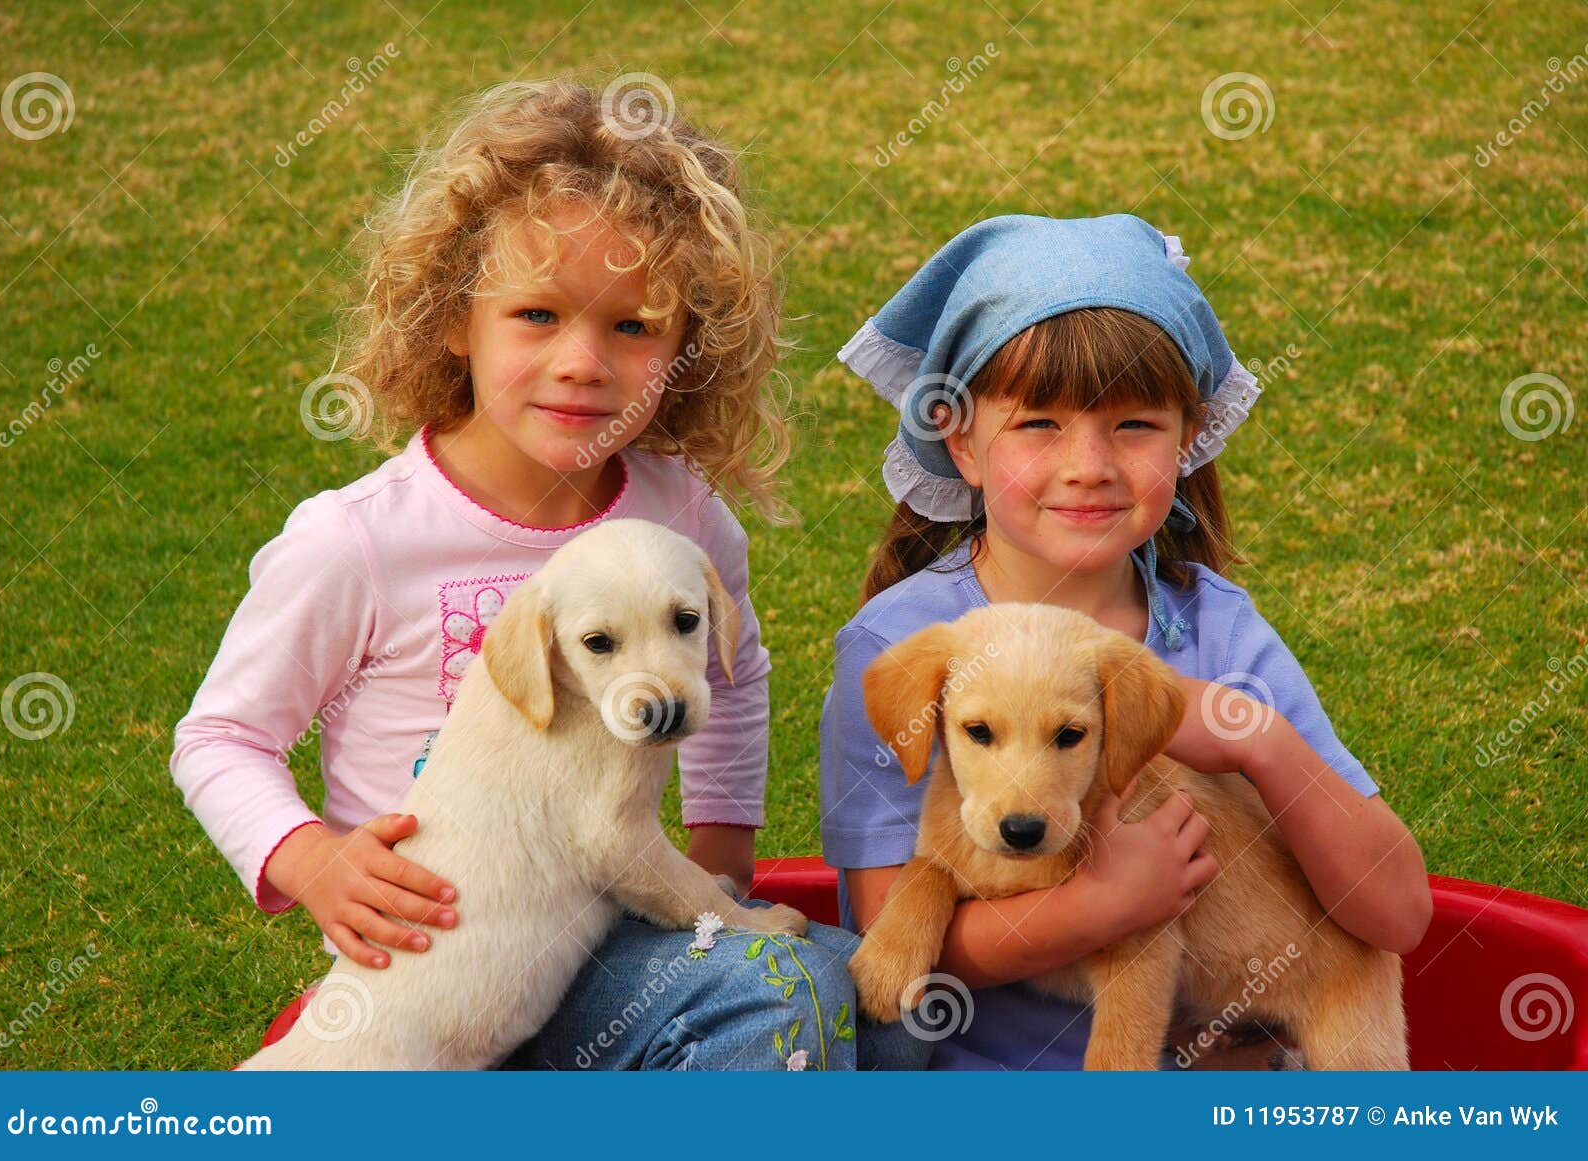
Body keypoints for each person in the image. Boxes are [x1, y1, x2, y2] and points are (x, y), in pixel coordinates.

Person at [173, 78, 892, 1070]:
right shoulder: (360, 542)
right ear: (455, 320)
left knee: (861, 985)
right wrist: (317, 863)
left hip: (612, 932)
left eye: (633, 326)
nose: (582, 363)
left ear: (689, 345)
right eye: (538, 315)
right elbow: (220, 736)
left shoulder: (679, 515)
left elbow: (732, 668)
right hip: (447, 966)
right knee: (787, 985)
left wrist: (722, 862)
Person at [819, 214, 1433, 1069]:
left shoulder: (1218, 630)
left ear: (1188, 436)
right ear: (960, 437)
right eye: (1040, 423)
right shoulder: (898, 646)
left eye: (1134, 424)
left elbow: (1397, 916)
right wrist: (1102, 908)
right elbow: (888, 950)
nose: (1090, 464)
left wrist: (1258, 739)